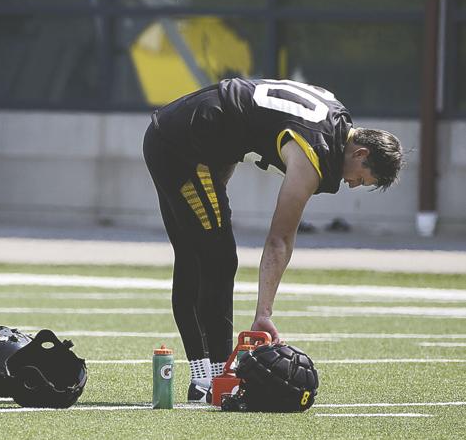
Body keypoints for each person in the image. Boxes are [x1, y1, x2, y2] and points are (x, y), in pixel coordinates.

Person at [142, 78, 403, 402]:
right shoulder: (314, 152)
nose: (352, 185)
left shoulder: (335, 113)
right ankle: (218, 376)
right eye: (361, 178)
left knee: (196, 254)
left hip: (179, 132)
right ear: (360, 152)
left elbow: (241, 116)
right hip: (180, 146)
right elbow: (279, 239)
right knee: (219, 258)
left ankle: (204, 376)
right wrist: (263, 312)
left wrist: (218, 185)